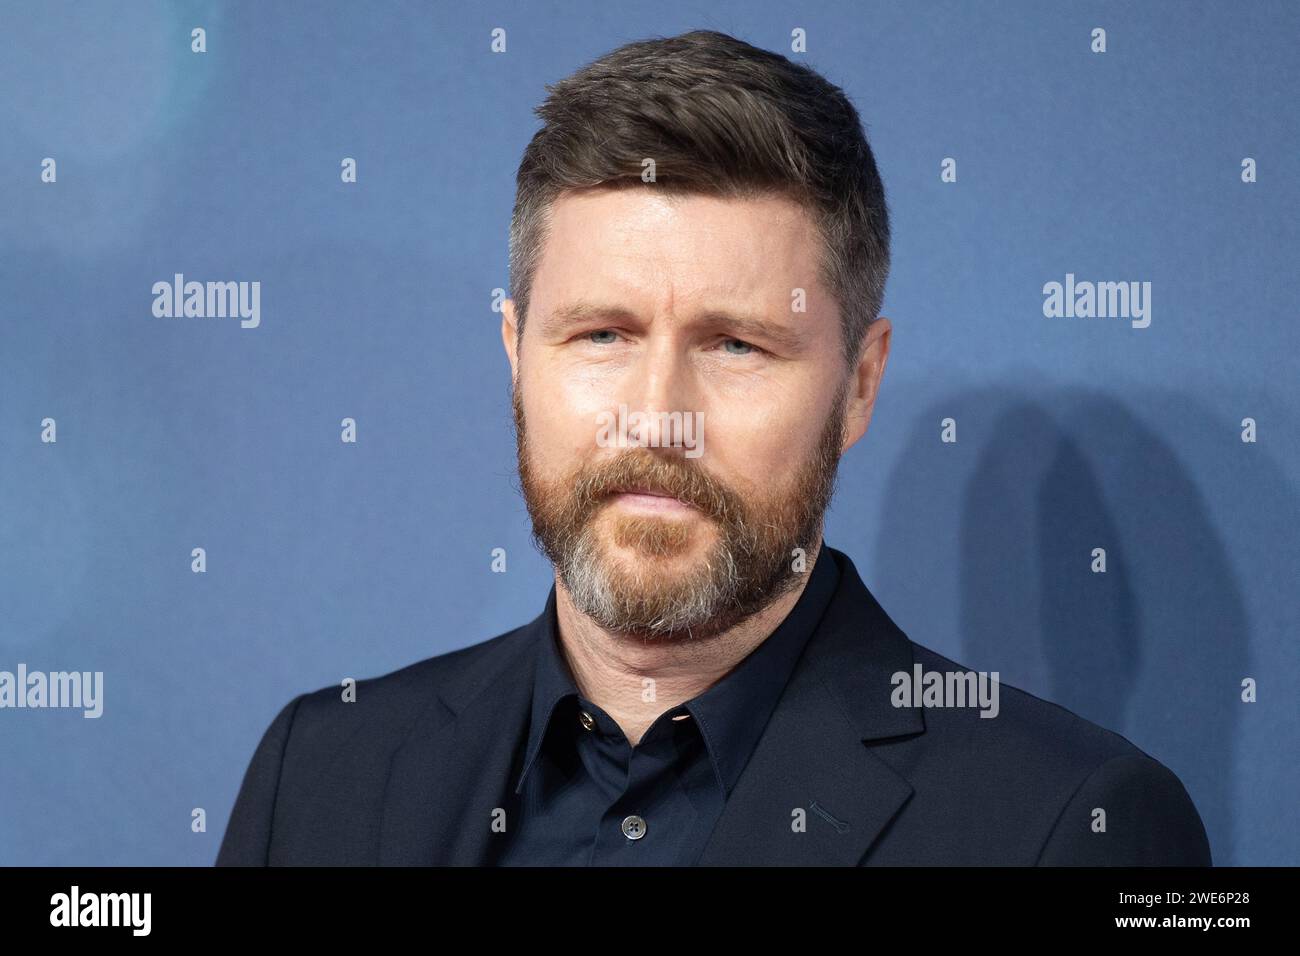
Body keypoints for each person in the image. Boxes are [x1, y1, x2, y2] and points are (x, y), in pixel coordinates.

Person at [216, 29, 1211, 866]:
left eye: (735, 344)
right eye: (601, 334)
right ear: (516, 353)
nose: (657, 417)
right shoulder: (320, 773)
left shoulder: (1068, 824)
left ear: (858, 384)